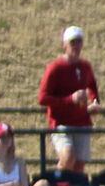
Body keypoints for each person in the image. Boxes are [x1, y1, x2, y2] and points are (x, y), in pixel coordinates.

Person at [38, 25, 99, 172]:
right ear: (64, 45)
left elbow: (92, 85)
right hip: (61, 122)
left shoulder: (85, 66)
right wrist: (70, 99)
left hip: (82, 121)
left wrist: (95, 101)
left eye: (79, 42)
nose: (76, 46)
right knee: (67, 157)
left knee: (79, 166)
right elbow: (43, 98)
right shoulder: (55, 67)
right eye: (72, 42)